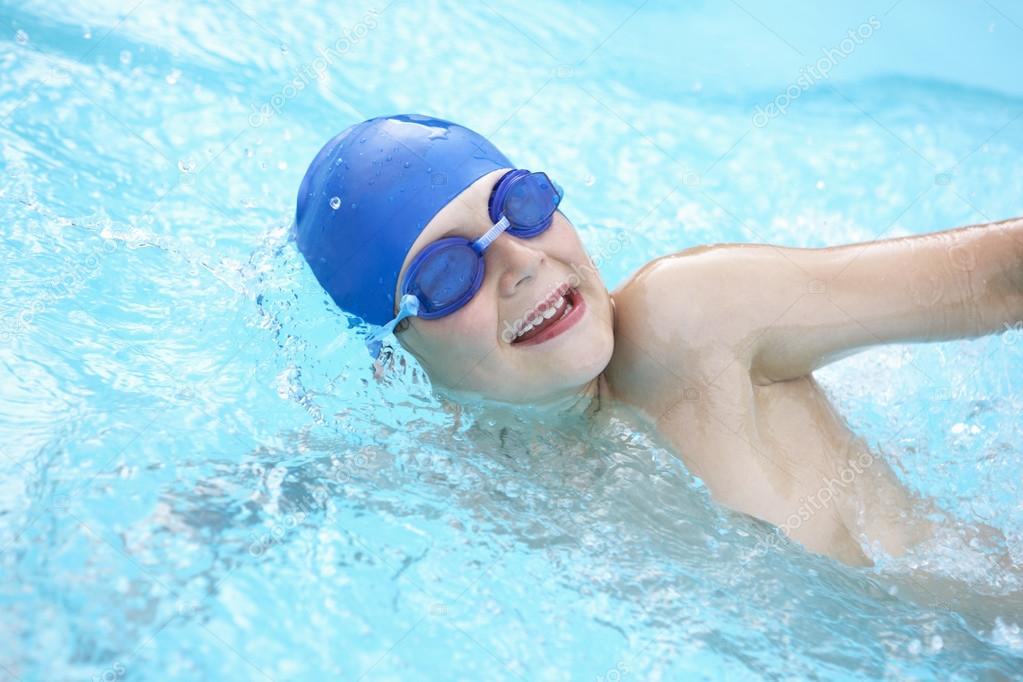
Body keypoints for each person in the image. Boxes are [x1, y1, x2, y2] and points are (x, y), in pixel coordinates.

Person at [293, 113, 1023, 570]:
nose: (519, 262)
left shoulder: (694, 317)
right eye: (450, 273)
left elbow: (994, 282)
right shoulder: (466, 476)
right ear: (394, 360)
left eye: (518, 206)